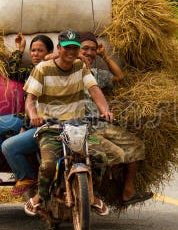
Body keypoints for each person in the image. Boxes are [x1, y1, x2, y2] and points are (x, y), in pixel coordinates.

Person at [23, 30, 114, 216]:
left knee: (100, 159)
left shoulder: (80, 66)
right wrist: (34, 115)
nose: (71, 52)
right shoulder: (43, 68)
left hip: (78, 127)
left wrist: (105, 110)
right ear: (59, 49)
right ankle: (40, 197)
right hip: (51, 128)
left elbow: (95, 90)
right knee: (48, 165)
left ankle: (92, 195)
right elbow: (30, 99)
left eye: (74, 48)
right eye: (67, 48)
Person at [0, 33, 54, 194]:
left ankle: (26, 176)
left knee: (9, 146)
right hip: (25, 118)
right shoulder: (30, 71)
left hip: (42, 122)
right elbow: (11, 71)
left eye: (40, 50)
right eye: (33, 50)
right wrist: (19, 50)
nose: (35, 54)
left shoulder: (54, 72)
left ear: (50, 52)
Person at [79, 32, 151, 206]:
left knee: (136, 146)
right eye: (85, 49)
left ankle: (128, 190)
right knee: (113, 154)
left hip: (101, 124)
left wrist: (104, 55)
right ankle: (89, 192)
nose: (89, 53)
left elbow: (120, 77)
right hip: (80, 127)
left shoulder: (97, 74)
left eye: (93, 50)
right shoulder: (66, 71)